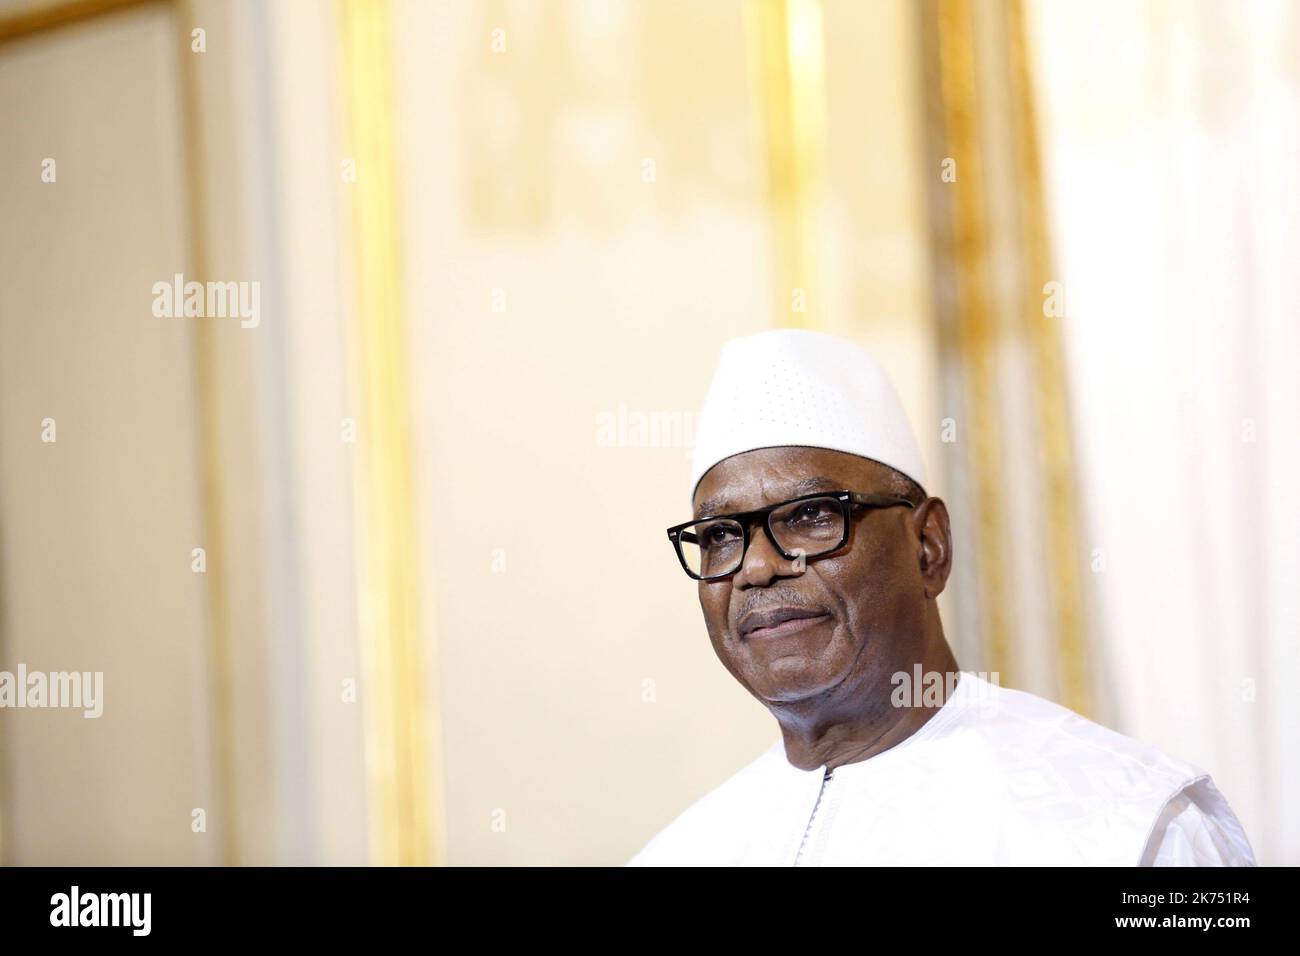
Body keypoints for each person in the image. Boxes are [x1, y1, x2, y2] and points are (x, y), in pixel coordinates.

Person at [629, 328, 1255, 866]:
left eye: (812, 515)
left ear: (928, 545)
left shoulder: (1129, 822)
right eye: (719, 536)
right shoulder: (683, 852)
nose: (758, 566)